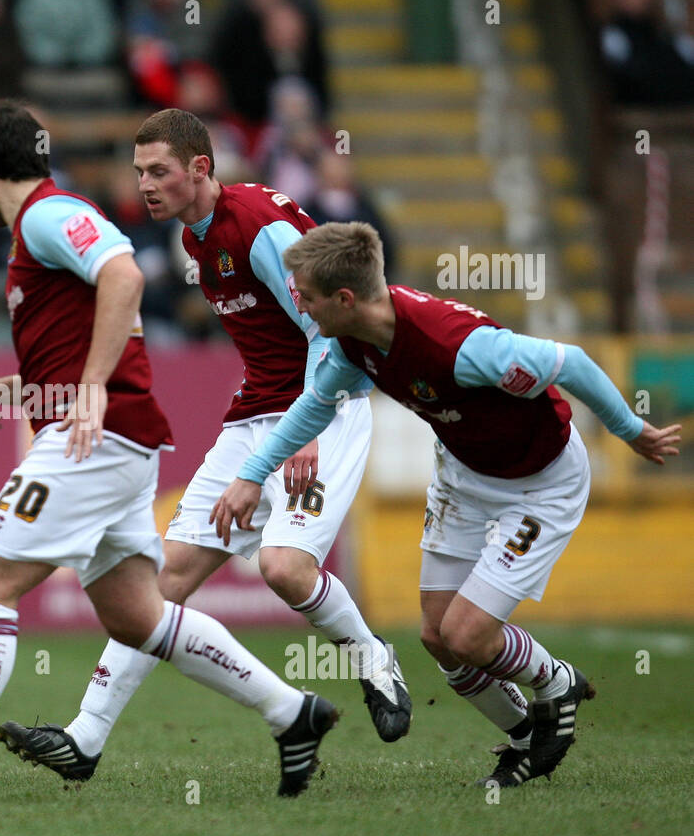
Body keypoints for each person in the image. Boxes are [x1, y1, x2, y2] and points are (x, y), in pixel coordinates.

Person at [0, 100, 337, 805]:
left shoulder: (46, 216)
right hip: (120, 438)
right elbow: (98, 315)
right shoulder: (44, 224)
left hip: (99, 440)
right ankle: (292, 712)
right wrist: (22, 385)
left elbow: (125, 276)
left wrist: (88, 389)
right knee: (137, 615)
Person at [0, 107, 409, 785]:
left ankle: (371, 659)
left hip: (321, 409)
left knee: (284, 569)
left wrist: (308, 424)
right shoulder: (196, 237)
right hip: (255, 416)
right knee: (160, 583)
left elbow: (328, 329)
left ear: (201, 168)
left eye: (159, 171)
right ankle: (84, 737)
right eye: (138, 172)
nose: (146, 184)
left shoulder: (257, 227)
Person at [211, 220, 682, 786]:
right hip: (463, 476)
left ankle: (556, 682)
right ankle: (526, 734)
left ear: (343, 298)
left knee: (468, 636)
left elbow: (572, 363)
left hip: (541, 482)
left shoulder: (457, 346)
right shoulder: (351, 344)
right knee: (439, 639)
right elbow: (315, 406)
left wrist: (630, 430)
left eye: (305, 298)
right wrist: (250, 475)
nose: (298, 309)